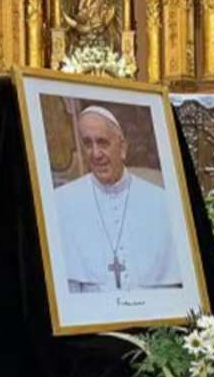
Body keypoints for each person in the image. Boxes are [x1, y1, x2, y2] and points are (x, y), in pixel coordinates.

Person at [54, 105, 182, 293]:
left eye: (103, 142)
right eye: (88, 144)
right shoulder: (61, 203)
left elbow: (171, 287)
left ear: (122, 148)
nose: (96, 154)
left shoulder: (161, 202)